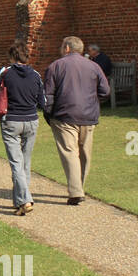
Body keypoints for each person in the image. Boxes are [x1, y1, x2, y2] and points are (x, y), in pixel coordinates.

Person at [42, 36, 110, 205]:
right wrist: (92, 102)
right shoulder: (94, 66)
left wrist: (48, 114)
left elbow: (48, 94)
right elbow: (105, 90)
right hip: (88, 116)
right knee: (85, 154)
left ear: (66, 48)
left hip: (64, 115)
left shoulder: (55, 66)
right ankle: (78, 188)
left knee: (70, 152)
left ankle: (76, 191)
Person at [0, 42, 46, 215]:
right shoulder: (35, 75)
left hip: (11, 121)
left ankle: (25, 200)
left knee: (16, 163)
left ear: (12, 56)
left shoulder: (5, 73)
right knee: (25, 162)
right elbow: (42, 102)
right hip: (31, 121)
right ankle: (19, 202)